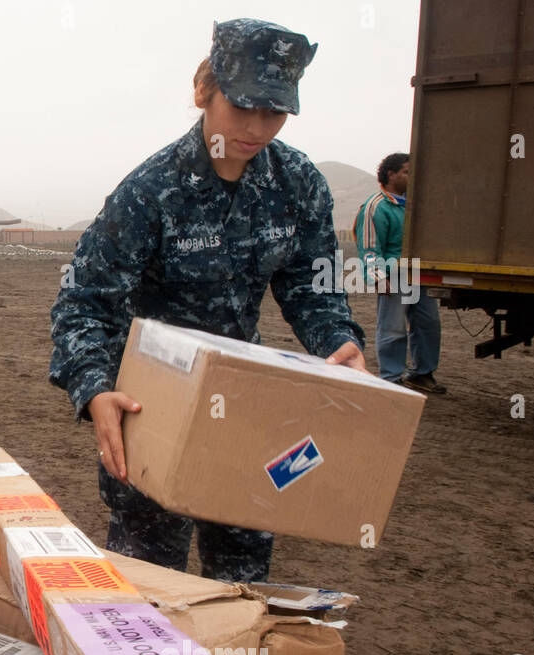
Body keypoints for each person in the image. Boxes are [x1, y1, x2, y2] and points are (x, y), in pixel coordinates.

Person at [50, 19, 367, 583]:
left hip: (247, 402)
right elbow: (83, 303)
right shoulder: (150, 192)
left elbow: (309, 283)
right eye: (241, 107)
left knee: (242, 584)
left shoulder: (297, 184)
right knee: (149, 587)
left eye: (273, 113)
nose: (255, 128)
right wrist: (95, 389)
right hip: (153, 406)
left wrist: (337, 339)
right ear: (204, 90)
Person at [355, 153, 445, 393]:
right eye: (407, 171)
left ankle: (422, 374)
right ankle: (391, 378)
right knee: (393, 327)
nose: (412, 177)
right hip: (392, 276)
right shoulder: (376, 206)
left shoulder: (414, 205)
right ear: (391, 174)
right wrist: (378, 278)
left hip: (418, 273)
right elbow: (370, 247)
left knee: (428, 323)